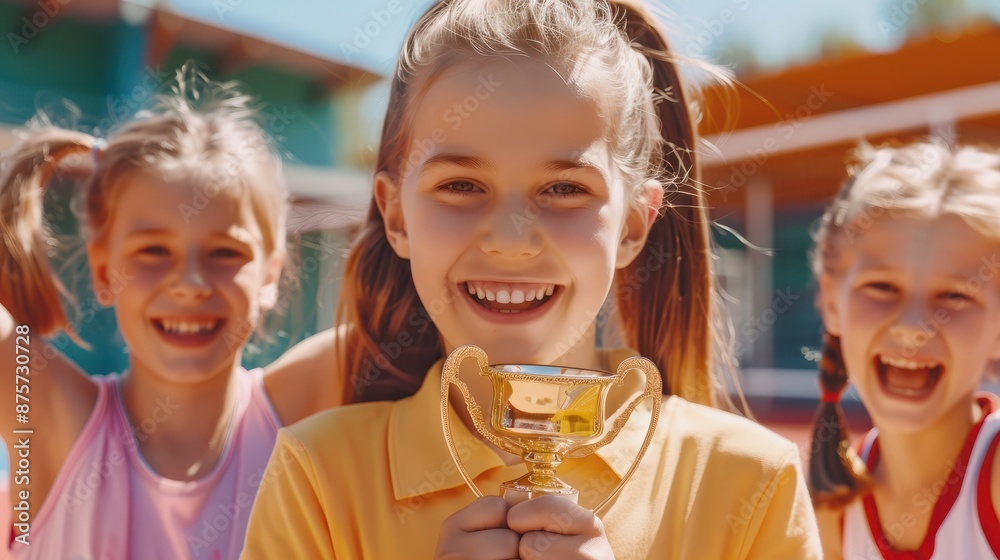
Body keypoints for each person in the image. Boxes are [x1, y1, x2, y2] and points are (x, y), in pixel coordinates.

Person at [240, 1, 822, 558]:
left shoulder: (751, 480)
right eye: (461, 186)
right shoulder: (318, 475)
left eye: (565, 189)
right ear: (396, 217)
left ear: (633, 226)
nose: (512, 237)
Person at [0, 67, 320, 559]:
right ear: (105, 273)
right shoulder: (55, 421)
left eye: (224, 253)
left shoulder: (298, 409)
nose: (189, 284)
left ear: (271, 275)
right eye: (153, 251)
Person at [808, 140, 1000, 559]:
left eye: (954, 295)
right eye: (881, 287)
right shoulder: (833, 508)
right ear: (832, 301)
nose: (913, 327)